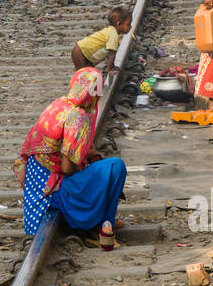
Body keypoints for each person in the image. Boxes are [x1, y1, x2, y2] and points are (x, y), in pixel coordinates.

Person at [15, 67, 129, 247]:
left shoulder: (60, 104)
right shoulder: (77, 116)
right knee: (115, 167)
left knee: (99, 171)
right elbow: (67, 169)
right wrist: (86, 172)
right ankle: (101, 228)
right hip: (54, 191)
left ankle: (101, 221)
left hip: (38, 190)